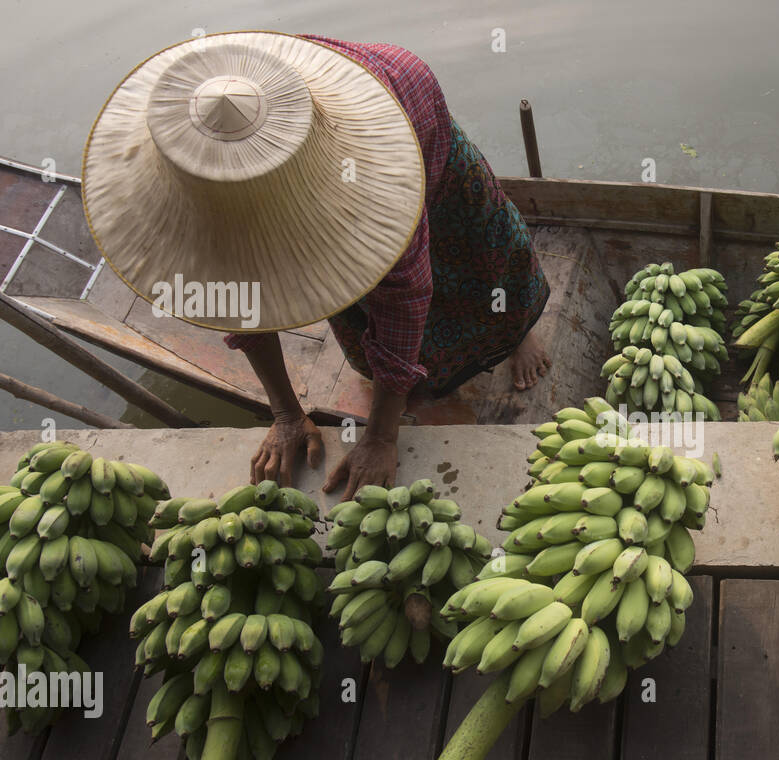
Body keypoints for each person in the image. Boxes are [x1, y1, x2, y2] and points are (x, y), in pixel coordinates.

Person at [82, 31, 551, 497]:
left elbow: (407, 297)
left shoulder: (374, 186)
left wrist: (383, 436)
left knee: (479, 254)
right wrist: (285, 412)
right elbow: (238, 305)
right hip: (276, 170)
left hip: (404, 117)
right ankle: (407, 378)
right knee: (344, 297)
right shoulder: (192, 182)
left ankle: (516, 329)